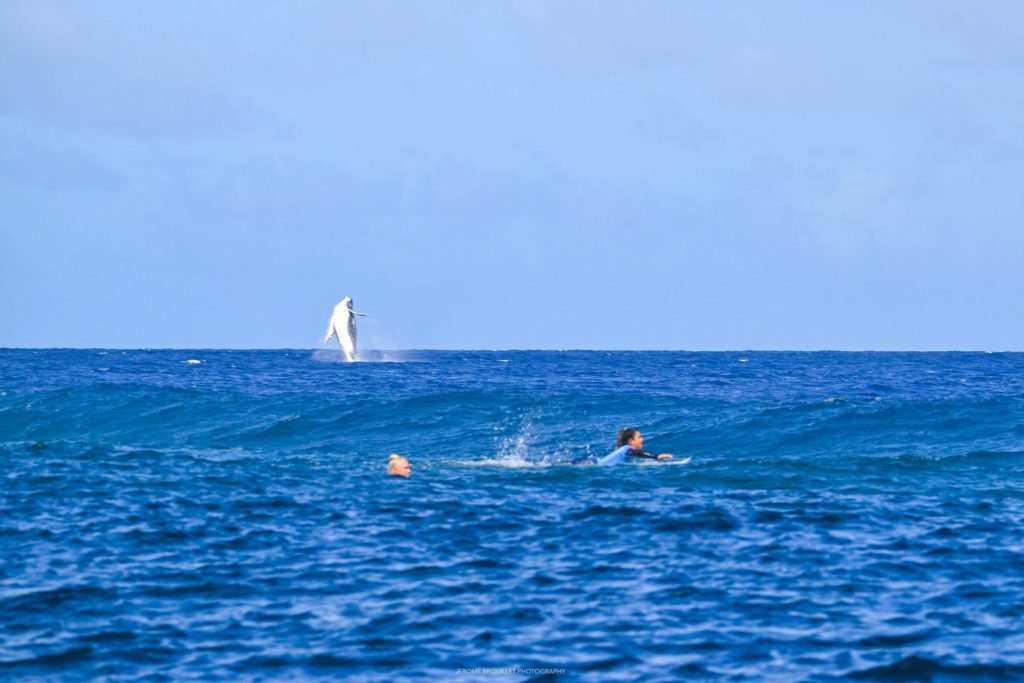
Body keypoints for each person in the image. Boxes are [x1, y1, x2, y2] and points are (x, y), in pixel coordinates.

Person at [572, 428, 674, 465]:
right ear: (631, 441)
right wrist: (655, 457)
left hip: (590, 461)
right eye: (639, 437)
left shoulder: (623, 449)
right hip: (591, 463)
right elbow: (635, 453)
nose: (642, 439)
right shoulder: (628, 449)